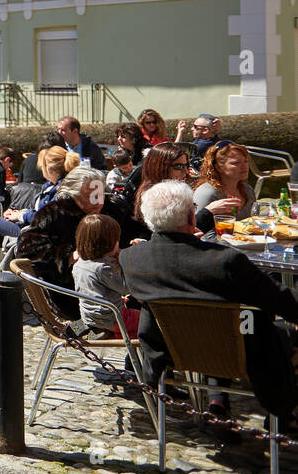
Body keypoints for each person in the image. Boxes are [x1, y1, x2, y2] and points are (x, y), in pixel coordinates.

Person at [121, 180, 298, 422]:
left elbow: (177, 270)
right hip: (240, 351)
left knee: (234, 322)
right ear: (192, 218)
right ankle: (285, 412)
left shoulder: (132, 260)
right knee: (280, 331)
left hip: (175, 351)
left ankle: (219, 400)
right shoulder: (224, 262)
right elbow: (283, 302)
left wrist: (196, 246)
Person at [15, 167, 144, 320]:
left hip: (117, 283)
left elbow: (135, 232)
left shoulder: (114, 208)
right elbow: (27, 249)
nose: (96, 202)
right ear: (73, 195)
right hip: (74, 293)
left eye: (100, 194)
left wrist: (133, 248)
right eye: (88, 196)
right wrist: (67, 256)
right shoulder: (56, 213)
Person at [70, 213, 141, 338]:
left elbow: (94, 289)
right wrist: (126, 262)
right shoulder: (102, 268)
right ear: (106, 244)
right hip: (113, 317)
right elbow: (126, 288)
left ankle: (98, 328)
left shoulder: (79, 265)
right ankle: (124, 341)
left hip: (89, 314)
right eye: (116, 241)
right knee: (149, 321)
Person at [193, 141, 255, 236]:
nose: (244, 166)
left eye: (245, 161)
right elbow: (201, 234)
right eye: (236, 163)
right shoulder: (207, 193)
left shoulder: (247, 190)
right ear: (218, 167)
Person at [5, 145, 70, 227]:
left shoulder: (60, 191)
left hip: (35, 232)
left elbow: (45, 218)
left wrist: (20, 216)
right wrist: (20, 212)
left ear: (49, 170)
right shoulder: (50, 186)